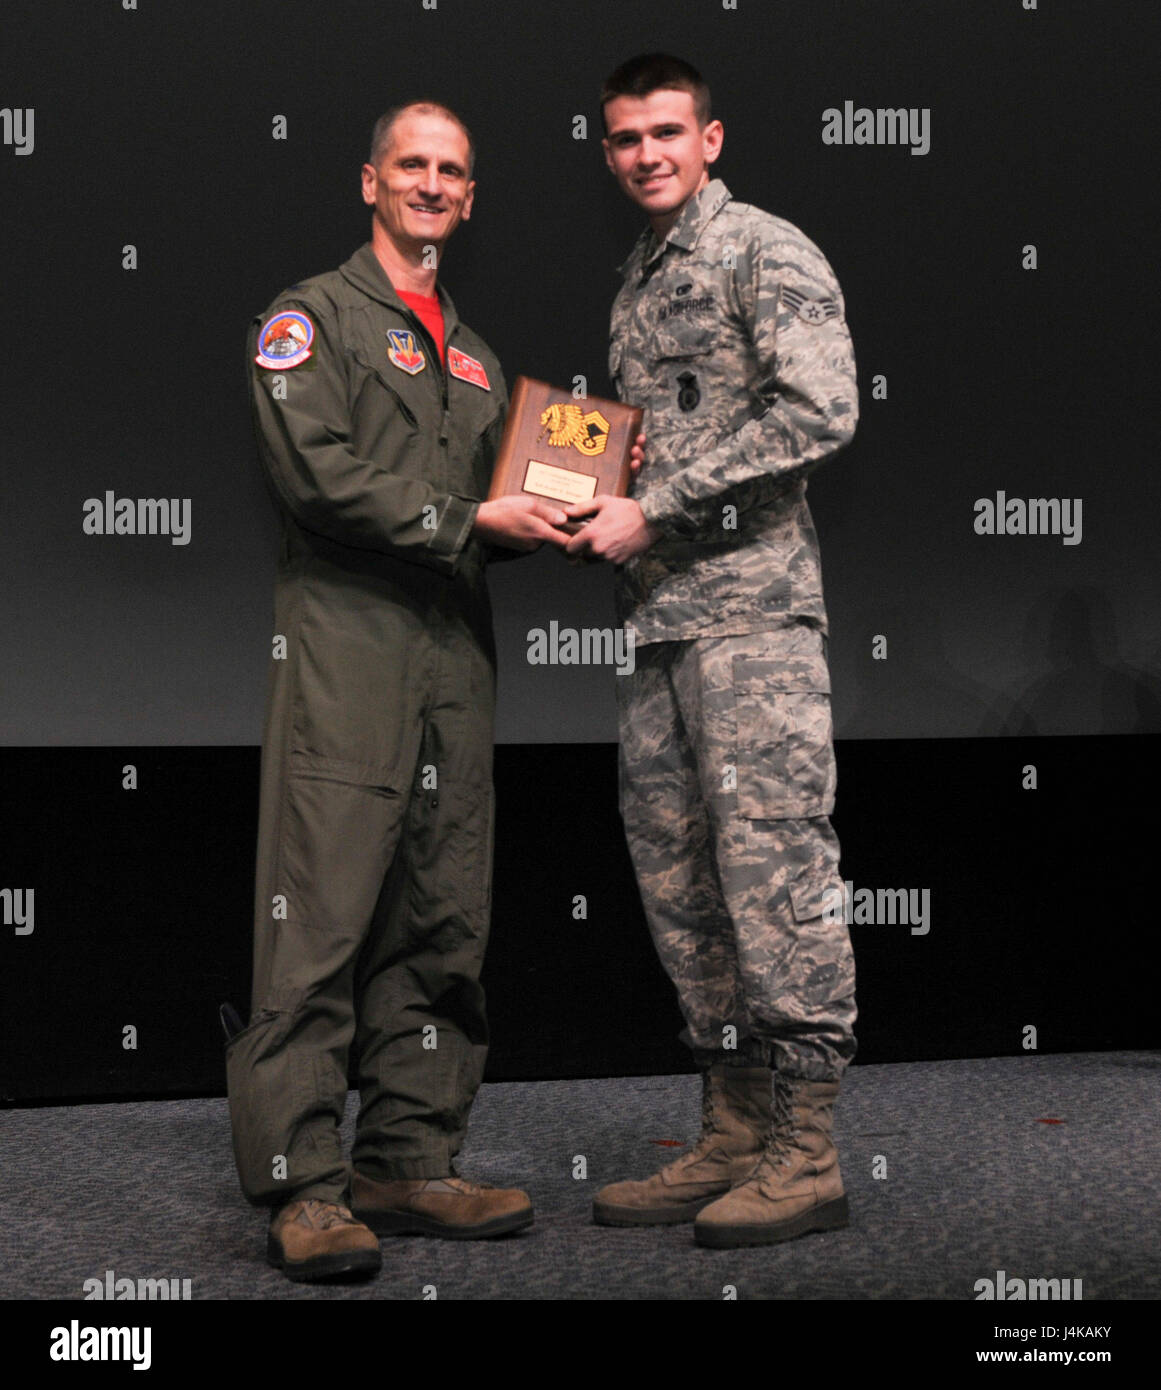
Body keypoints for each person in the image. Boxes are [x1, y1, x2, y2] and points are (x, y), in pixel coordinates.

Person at [227, 101, 574, 1282]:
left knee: (441, 920)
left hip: (453, 664)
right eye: (412, 164)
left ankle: (407, 1158)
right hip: (347, 656)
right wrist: (471, 517)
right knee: (316, 925)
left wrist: (559, 506)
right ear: (368, 180)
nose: (431, 184)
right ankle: (306, 1185)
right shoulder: (307, 319)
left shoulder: (475, 359)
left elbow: (497, 505)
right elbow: (316, 474)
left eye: (453, 172)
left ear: (469, 200)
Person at [564, 55, 860, 1249]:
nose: (648, 154)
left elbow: (821, 409)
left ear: (712, 138)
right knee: (681, 887)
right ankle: (733, 1131)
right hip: (663, 626)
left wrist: (660, 499)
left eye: (668, 132)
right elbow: (652, 453)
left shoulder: (762, 250)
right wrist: (595, 502)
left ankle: (810, 1151)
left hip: (754, 628)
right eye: (626, 137)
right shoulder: (637, 283)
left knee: (775, 880)